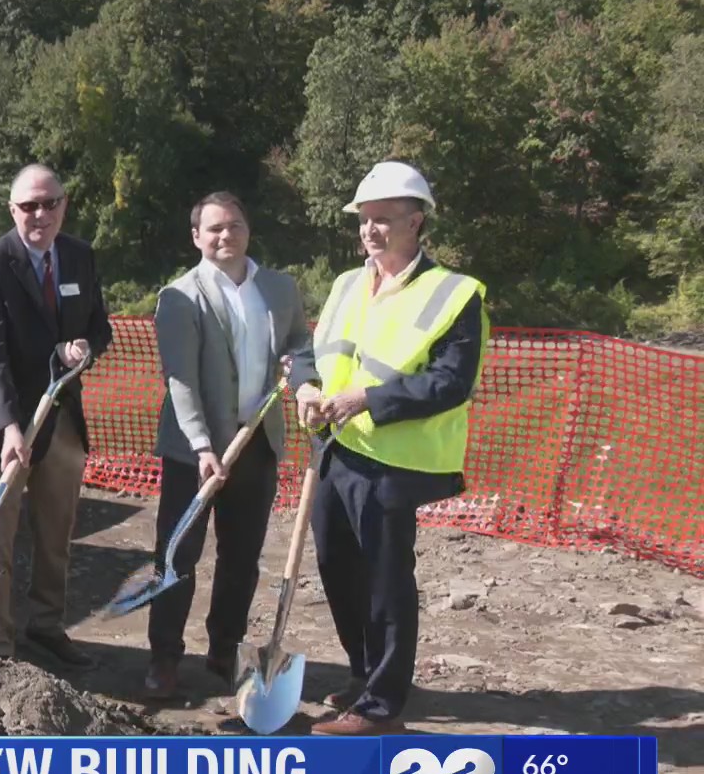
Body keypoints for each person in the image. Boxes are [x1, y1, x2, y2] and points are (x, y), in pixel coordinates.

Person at [295, 161, 488, 735]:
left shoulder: (454, 294)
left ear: (416, 222)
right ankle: (365, 674)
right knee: (337, 567)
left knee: (385, 580)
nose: (370, 230)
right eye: (364, 220)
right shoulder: (346, 284)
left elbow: (451, 381)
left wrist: (369, 399)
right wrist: (306, 385)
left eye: (383, 220)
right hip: (337, 451)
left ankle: (381, 707)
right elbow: (316, 349)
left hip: (396, 462)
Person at [143, 192, 311, 700]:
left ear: (247, 231)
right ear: (196, 237)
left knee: (242, 556)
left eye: (233, 226)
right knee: (178, 555)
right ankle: (164, 658)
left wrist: (299, 373)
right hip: (194, 452)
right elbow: (181, 381)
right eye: (213, 229)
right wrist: (200, 446)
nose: (225, 236)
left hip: (256, 443)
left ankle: (224, 650)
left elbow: (300, 346)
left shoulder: (279, 289)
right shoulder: (180, 296)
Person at [0, 163, 111, 668]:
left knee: (56, 533)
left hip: (62, 421)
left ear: (64, 204)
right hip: (2, 425)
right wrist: (10, 426)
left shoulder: (80, 257)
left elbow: (99, 326)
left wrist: (85, 348)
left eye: (50, 203)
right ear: (12, 210)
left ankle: (47, 626)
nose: (40, 214)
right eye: (29, 206)